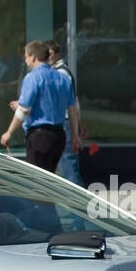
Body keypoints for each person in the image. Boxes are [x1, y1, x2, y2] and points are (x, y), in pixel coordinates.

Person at [0, 40, 82, 173]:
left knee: (36, 181)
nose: (26, 61)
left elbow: (24, 109)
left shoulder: (32, 78)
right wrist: (75, 135)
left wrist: (9, 133)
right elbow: (72, 108)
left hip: (40, 136)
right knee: (50, 177)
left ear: (32, 56)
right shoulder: (62, 79)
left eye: (26, 57)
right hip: (59, 135)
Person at [46, 39, 85, 185]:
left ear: (56, 54)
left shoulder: (61, 73)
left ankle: (80, 201)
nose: (47, 57)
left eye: (49, 54)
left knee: (68, 164)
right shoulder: (57, 72)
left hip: (65, 122)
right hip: (65, 121)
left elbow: (69, 102)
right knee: (64, 164)